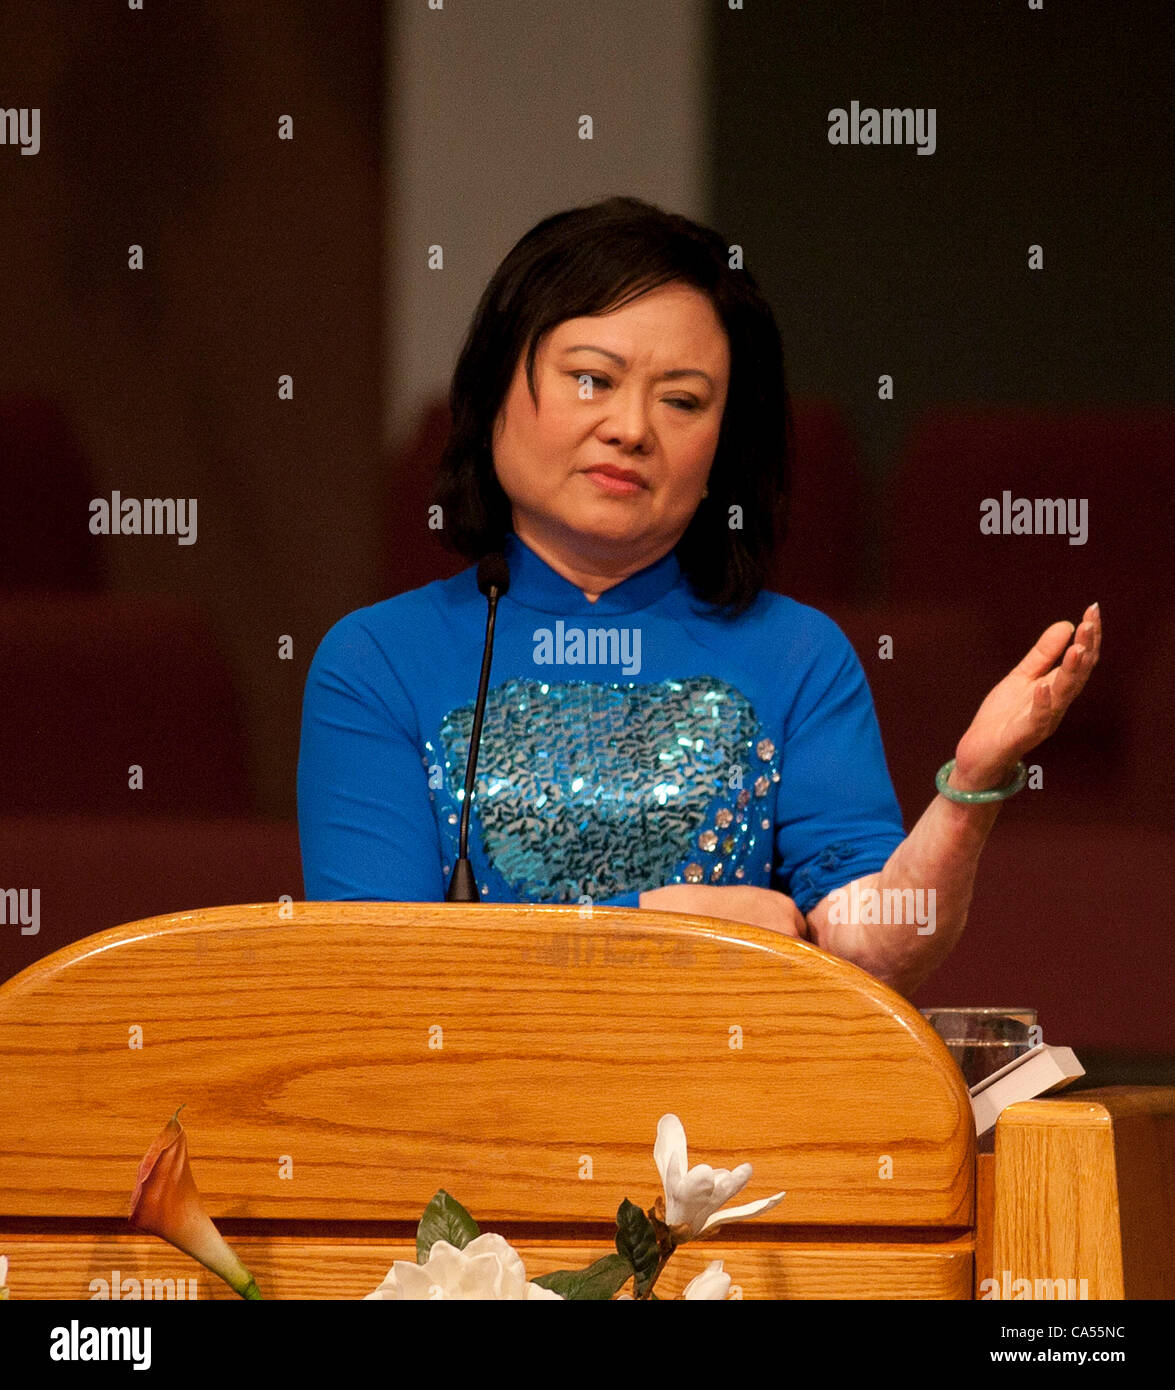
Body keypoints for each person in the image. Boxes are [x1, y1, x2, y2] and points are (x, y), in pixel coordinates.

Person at [296, 196, 1100, 996]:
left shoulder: (796, 656)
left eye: (681, 400)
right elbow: (383, 983)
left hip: (731, 1110)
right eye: (590, 379)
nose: (630, 427)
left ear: (723, 444)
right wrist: (662, 923)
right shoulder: (376, 662)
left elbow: (871, 952)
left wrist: (969, 788)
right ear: (493, 390)